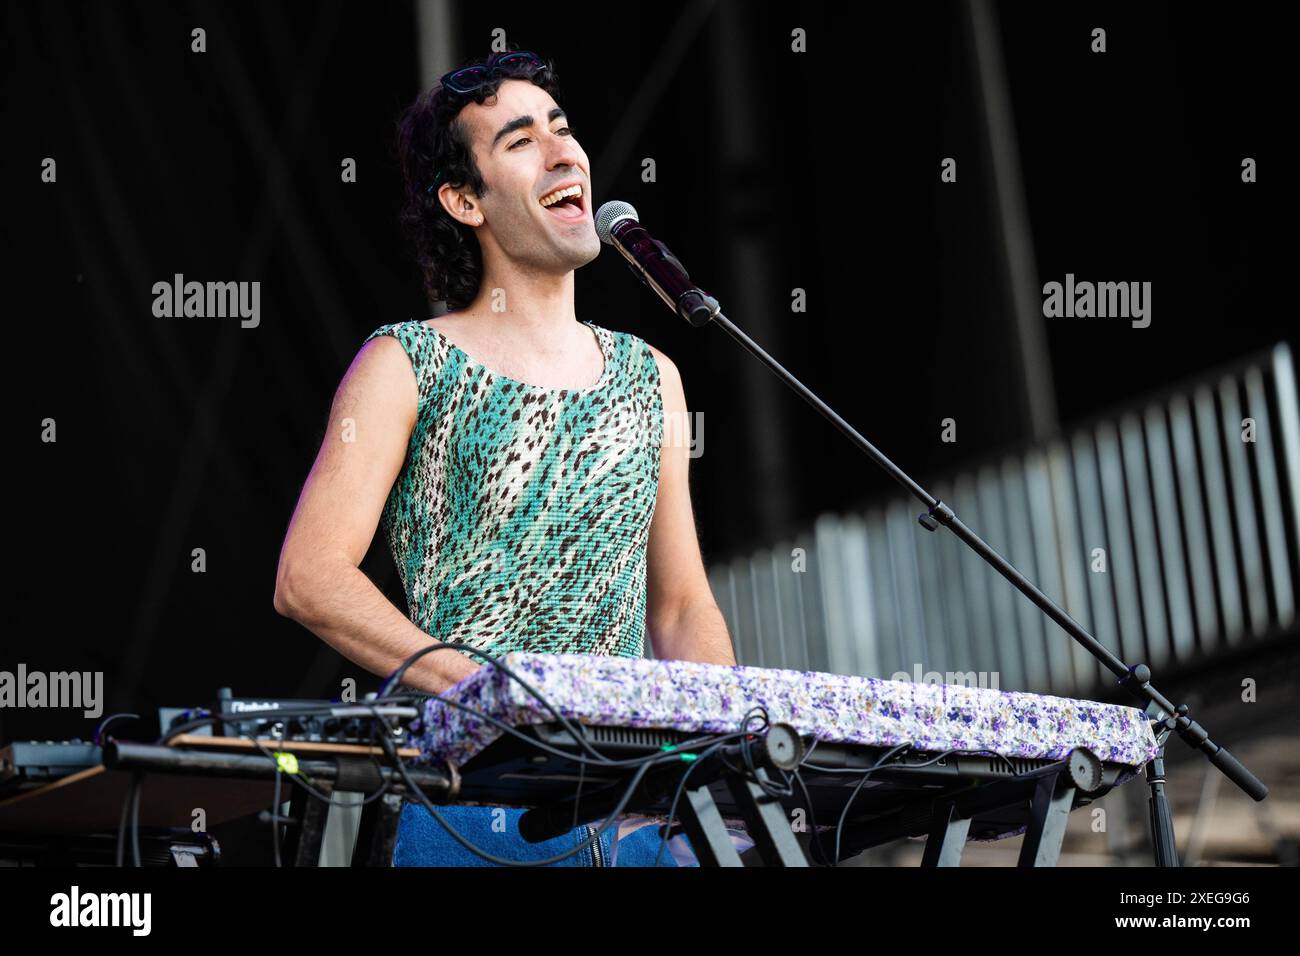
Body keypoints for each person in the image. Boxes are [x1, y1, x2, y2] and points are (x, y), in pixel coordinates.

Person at [272, 49, 738, 867]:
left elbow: (679, 605)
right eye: (521, 141)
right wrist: (499, 700)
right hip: (471, 799)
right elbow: (310, 578)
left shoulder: (651, 376)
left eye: (563, 130)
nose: (565, 152)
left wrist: (708, 766)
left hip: (632, 808)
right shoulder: (406, 363)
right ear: (463, 200)